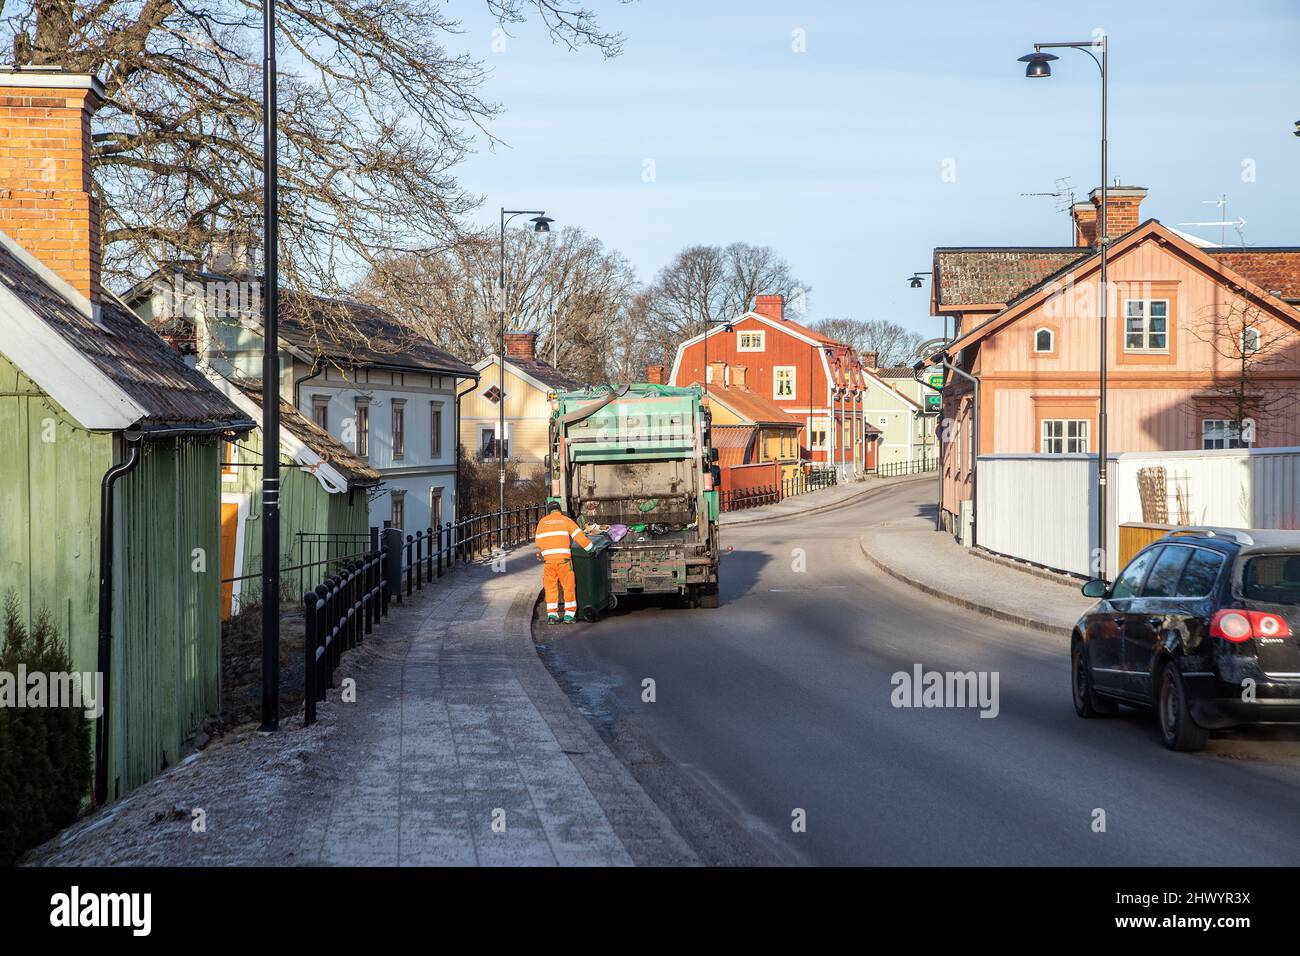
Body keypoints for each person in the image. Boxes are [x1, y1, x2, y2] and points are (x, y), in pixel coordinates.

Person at [534, 500, 593, 623]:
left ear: (549, 510)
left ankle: (552, 616)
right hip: (564, 561)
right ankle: (569, 616)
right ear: (559, 510)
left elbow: (538, 542)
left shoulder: (542, 522)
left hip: (549, 562)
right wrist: (590, 548)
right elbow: (579, 536)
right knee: (568, 587)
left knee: (550, 588)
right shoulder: (566, 520)